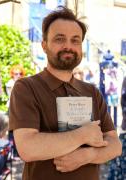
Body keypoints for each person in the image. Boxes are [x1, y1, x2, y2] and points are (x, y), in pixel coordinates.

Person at [9, 7, 122, 180]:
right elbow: (28, 148)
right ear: (44, 45)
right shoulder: (26, 88)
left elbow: (115, 145)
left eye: (75, 40)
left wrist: (87, 156)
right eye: (60, 39)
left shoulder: (91, 91)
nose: (68, 46)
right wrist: (83, 135)